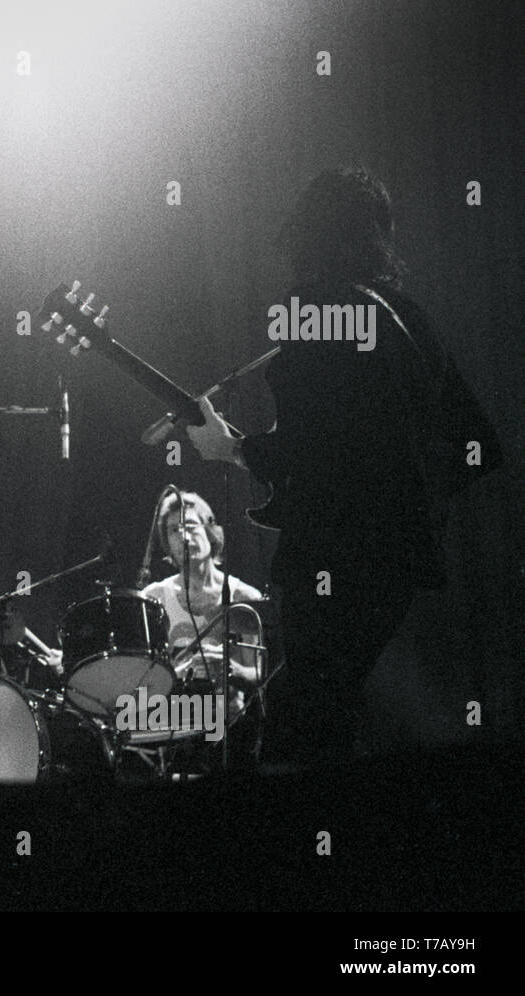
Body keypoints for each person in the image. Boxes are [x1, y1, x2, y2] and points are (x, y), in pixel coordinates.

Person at [186, 167, 501, 766]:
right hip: (401, 565)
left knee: (304, 722)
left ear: (304, 232)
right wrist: (400, 493)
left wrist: (232, 448)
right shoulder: (406, 318)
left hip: (332, 556)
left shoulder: (311, 307)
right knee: (323, 709)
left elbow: (313, 444)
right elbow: (475, 446)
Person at [141, 490, 265, 726]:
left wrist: (231, 670)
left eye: (190, 525)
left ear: (210, 531)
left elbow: (258, 672)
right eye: (173, 530)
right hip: (170, 722)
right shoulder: (154, 598)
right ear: (166, 543)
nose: (183, 536)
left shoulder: (244, 596)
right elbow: (139, 674)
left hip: (228, 723)